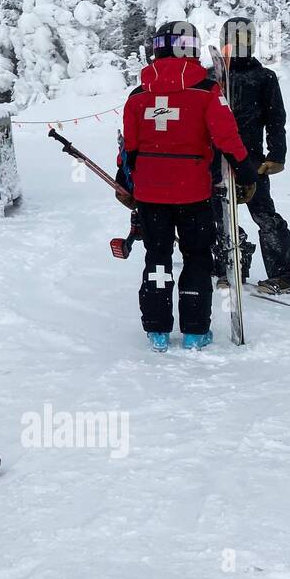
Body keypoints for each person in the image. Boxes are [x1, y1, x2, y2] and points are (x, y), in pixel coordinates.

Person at [116, 21, 258, 352]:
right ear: (191, 48)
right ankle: (194, 331)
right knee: (196, 257)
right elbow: (227, 138)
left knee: (158, 257)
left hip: (150, 194)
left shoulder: (138, 96)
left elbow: (129, 147)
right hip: (193, 192)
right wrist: (246, 172)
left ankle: (158, 330)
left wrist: (125, 183)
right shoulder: (207, 92)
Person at [213, 17, 290, 295]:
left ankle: (283, 276)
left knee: (264, 215)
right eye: (232, 39)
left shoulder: (264, 77)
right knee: (220, 216)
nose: (237, 45)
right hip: (214, 160)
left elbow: (276, 119)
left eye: (243, 39)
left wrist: (277, 156)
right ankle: (234, 264)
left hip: (252, 161)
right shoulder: (210, 77)